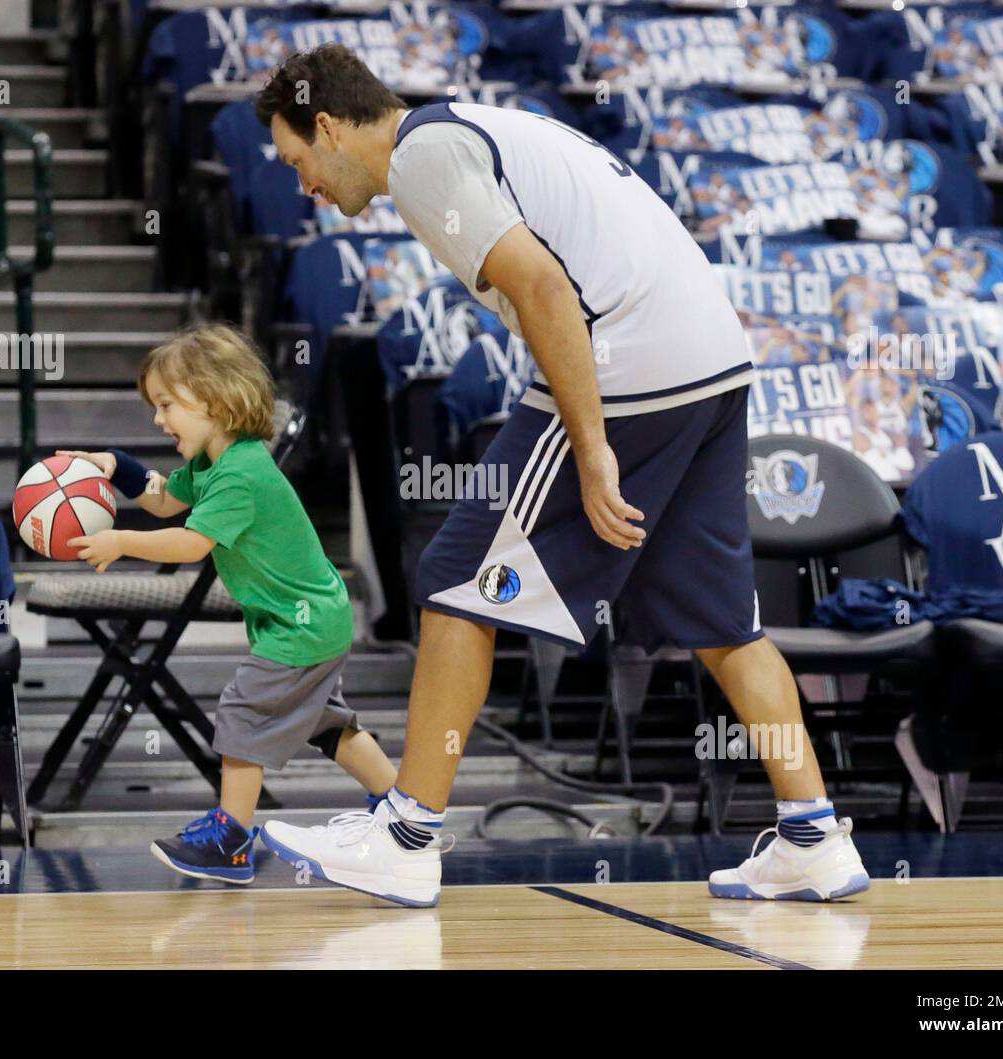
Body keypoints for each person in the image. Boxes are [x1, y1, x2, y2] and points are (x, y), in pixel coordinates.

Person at [254, 44, 870, 908]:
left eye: (298, 161)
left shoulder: (424, 157)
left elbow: (544, 291)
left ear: (329, 125)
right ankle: (812, 835)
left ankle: (406, 834)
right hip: (714, 361)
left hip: (632, 362)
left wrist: (592, 447)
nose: (304, 187)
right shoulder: (479, 127)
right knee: (724, 617)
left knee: (454, 578)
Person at [60, 323, 397, 884]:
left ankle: (231, 840)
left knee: (243, 711)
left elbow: (191, 542)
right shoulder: (217, 463)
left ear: (215, 399)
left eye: (166, 404)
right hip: (310, 616)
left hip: (301, 624)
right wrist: (114, 466)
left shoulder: (240, 474)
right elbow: (166, 501)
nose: (157, 419)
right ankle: (397, 808)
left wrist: (122, 541)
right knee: (324, 722)